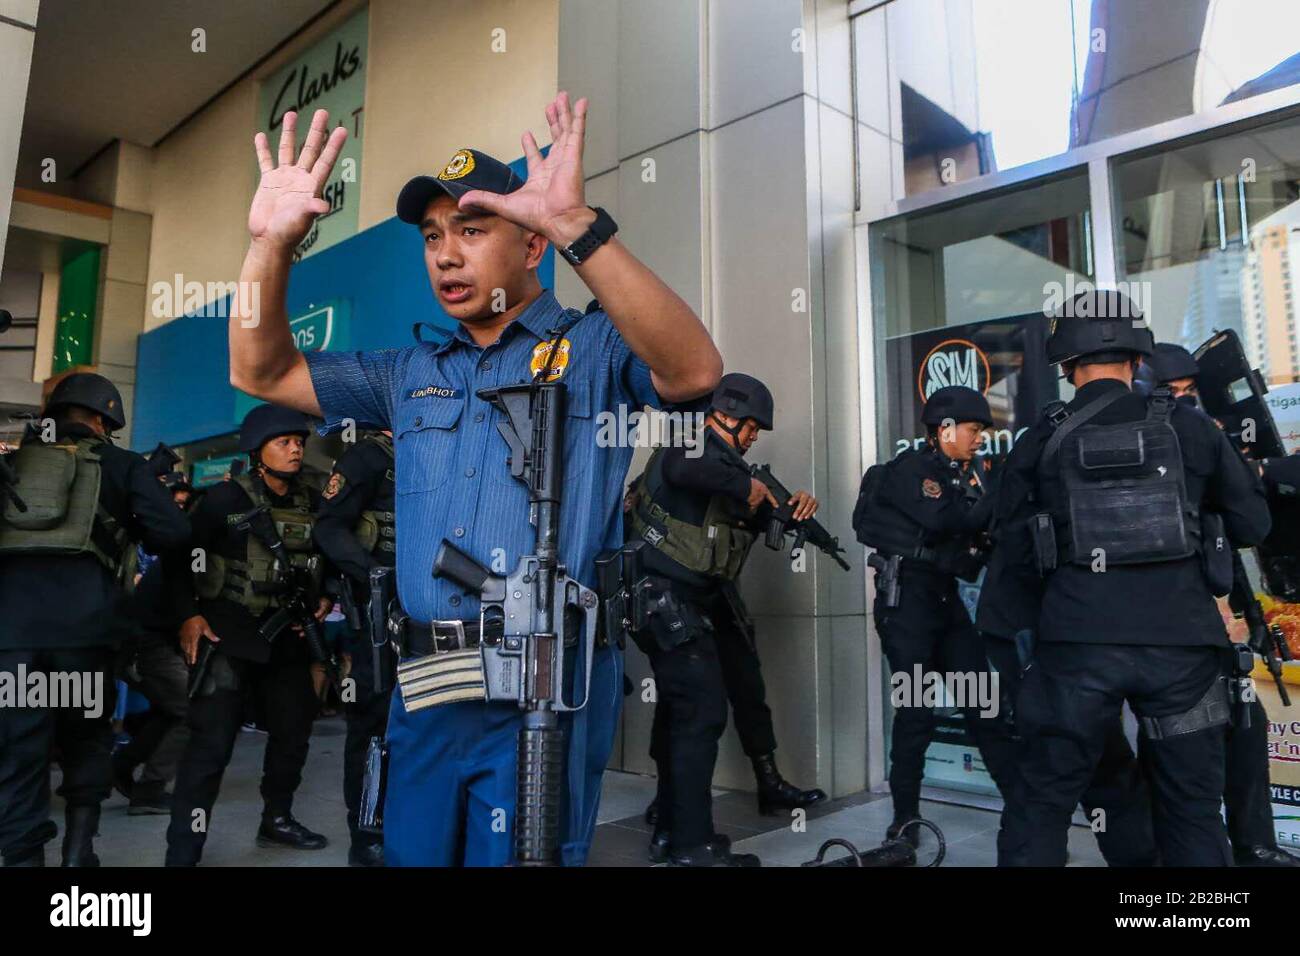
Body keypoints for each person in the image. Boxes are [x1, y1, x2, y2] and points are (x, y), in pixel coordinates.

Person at [224, 95, 722, 866]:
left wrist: (578, 228)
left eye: (471, 229)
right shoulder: (408, 370)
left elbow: (693, 370)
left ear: (531, 248)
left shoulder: (589, 349)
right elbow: (260, 369)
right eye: (432, 237)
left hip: (542, 688)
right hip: (426, 685)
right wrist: (269, 248)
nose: (445, 254)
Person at [1001, 290, 1271, 866]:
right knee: (1193, 809)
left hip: (1075, 651)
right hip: (1183, 652)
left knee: (1041, 804)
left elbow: (1011, 548)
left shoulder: (1041, 439)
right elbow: (1253, 522)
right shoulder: (1193, 429)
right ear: (1138, 357)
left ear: (1067, 364)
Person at [625, 374, 825, 866]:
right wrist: (747, 484)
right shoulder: (690, 445)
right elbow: (684, 469)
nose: (755, 436)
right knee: (700, 710)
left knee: (692, 706)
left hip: (702, 599)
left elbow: (759, 513)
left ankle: (675, 829)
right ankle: (692, 844)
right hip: (662, 600)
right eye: (752, 426)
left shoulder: (732, 467)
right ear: (728, 416)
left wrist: (793, 509)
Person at [0, 373, 190, 866]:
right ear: (104, 420)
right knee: (87, 740)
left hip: (12, 637)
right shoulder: (121, 464)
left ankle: (22, 862)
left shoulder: (12, 463)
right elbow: (172, 533)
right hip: (85, 635)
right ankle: (78, 854)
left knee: (20, 754)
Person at [1147, 342, 1298, 867]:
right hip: (1176, 626)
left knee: (1247, 728)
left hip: (1223, 608)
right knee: (1189, 753)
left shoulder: (1207, 441)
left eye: (1193, 394)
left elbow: (1245, 524)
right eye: (1175, 395)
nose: (1187, 404)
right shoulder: (1150, 450)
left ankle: (1253, 845)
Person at [164, 404, 334, 866]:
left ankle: (276, 819)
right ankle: (185, 847)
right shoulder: (225, 501)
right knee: (210, 748)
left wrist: (325, 594)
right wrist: (188, 616)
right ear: (258, 452)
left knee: (293, 735)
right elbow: (180, 560)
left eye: (299, 442)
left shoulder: (313, 500)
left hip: (289, 637)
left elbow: (329, 555)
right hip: (229, 638)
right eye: (284, 442)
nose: (295, 449)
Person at [854, 385, 1020, 850]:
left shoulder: (966, 475)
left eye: (983, 430)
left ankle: (1026, 817)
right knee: (916, 713)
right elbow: (952, 523)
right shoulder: (915, 472)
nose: (980, 438)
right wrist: (1004, 485)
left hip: (944, 605)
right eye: (973, 428)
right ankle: (904, 823)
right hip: (907, 607)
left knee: (985, 707)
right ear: (944, 429)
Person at [312, 429, 396, 867]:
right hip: (379, 613)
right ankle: (367, 832)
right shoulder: (367, 457)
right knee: (373, 724)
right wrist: (372, 574)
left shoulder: (431, 450)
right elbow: (329, 526)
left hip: (431, 607)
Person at [113, 473, 198, 815]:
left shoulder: (184, 549)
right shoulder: (189, 550)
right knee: (191, 711)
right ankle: (149, 789)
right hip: (147, 643)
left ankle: (121, 766)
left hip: (144, 641)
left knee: (169, 711)